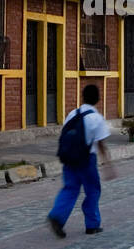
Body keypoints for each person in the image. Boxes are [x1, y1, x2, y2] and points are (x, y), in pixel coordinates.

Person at [47, 83, 112, 237]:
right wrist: (108, 165)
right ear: (98, 99)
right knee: (93, 190)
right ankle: (92, 224)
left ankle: (57, 215)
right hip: (87, 159)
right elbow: (101, 144)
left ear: (82, 97)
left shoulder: (72, 114)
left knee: (70, 189)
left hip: (69, 158)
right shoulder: (97, 118)